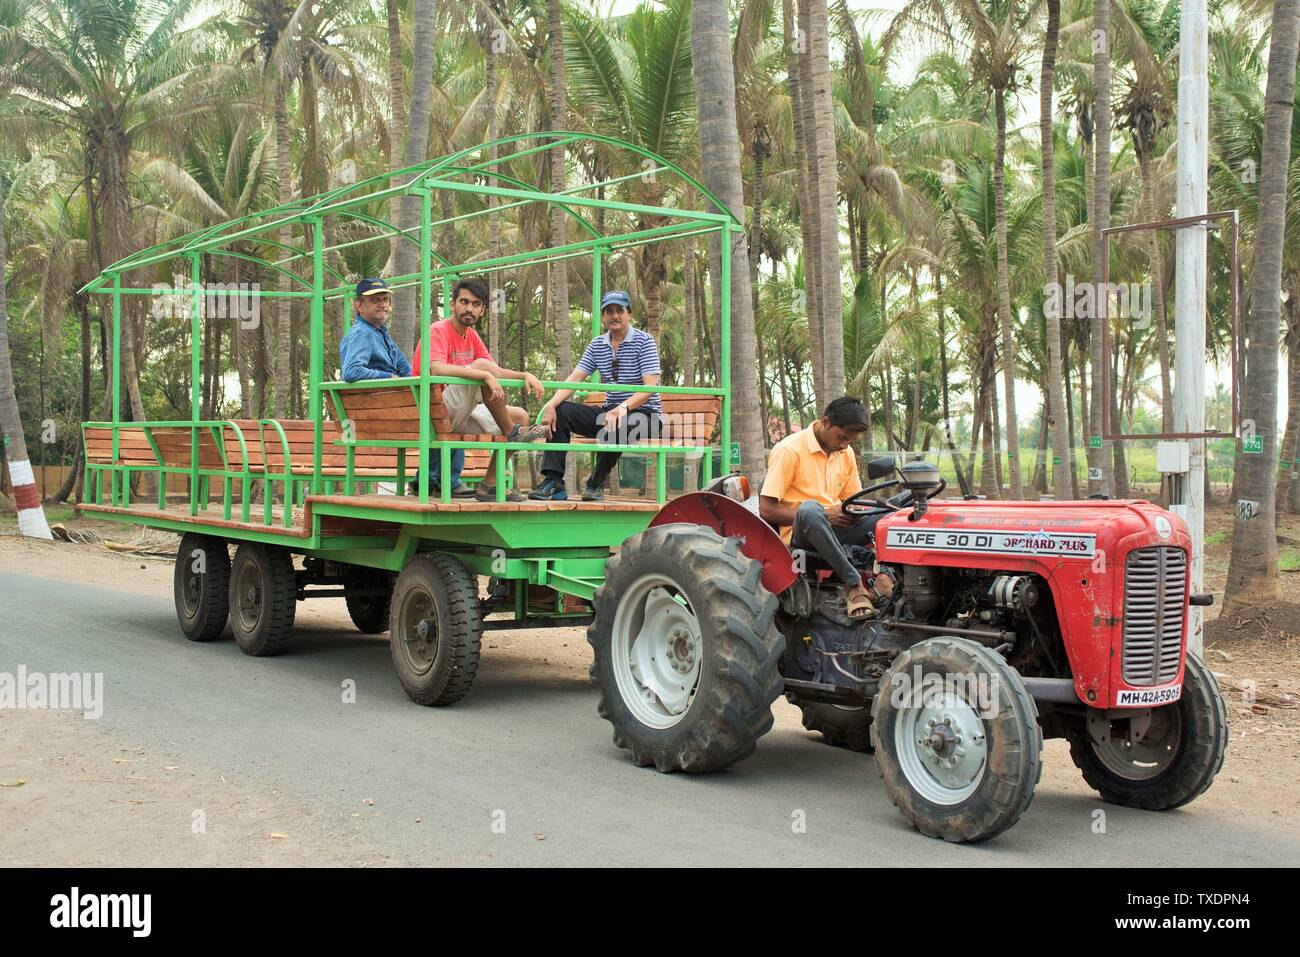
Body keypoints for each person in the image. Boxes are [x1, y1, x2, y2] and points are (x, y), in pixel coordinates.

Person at [411, 277, 548, 502]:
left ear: (483, 310)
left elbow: (495, 371)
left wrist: (524, 375)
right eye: (464, 302)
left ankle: (489, 485)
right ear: (453, 304)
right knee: (485, 373)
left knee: (521, 416)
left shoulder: (472, 336)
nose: (469, 308)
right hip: (432, 410)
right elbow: (435, 369)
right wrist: (483, 374)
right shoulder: (439, 330)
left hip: (455, 411)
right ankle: (510, 433)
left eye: (476, 304)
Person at [529, 290, 661, 501]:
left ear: (629, 314)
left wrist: (622, 408)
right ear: (603, 316)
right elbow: (574, 379)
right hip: (610, 414)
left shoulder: (644, 342)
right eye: (609, 311)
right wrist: (551, 405)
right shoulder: (598, 345)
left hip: (646, 416)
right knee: (562, 411)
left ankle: (595, 482)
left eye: (620, 310)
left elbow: (650, 388)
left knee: (618, 424)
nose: (615, 315)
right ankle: (554, 481)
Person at [758, 396, 879, 618]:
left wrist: (856, 512)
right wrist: (826, 514)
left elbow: (852, 499)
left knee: (893, 513)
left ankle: (888, 579)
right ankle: (853, 585)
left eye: (850, 441)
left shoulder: (845, 452)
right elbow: (766, 510)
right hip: (801, 534)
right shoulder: (789, 451)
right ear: (825, 422)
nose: (844, 445)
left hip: (837, 528)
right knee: (810, 510)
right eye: (842, 437)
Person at [339, 278, 410, 381]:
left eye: (385, 299)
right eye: (375, 300)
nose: (383, 305)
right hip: (377, 395)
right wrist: (388, 376)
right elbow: (351, 371)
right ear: (359, 306)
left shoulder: (382, 333)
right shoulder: (362, 332)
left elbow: (405, 368)